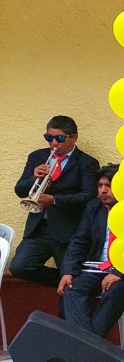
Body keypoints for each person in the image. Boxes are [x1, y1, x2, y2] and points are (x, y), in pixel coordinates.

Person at [59, 164, 124, 340]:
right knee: (72, 288)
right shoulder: (94, 207)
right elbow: (79, 241)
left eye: (109, 186)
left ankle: (87, 344)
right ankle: (88, 343)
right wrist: (68, 271)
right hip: (97, 267)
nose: (103, 191)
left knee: (115, 290)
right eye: (100, 186)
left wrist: (118, 272)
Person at [12, 115, 100, 288]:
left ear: (74, 137)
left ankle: (69, 289)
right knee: (19, 267)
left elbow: (89, 196)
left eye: (59, 138)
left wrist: (55, 200)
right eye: (49, 138)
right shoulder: (37, 157)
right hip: (39, 229)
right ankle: (61, 279)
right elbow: (20, 190)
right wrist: (33, 178)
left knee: (70, 278)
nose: (53, 143)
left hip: (68, 231)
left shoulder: (87, 163)